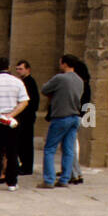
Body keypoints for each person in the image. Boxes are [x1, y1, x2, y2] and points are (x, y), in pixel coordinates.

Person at [0, 56, 29, 191]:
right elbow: (24, 101)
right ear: (8, 66)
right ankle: (12, 182)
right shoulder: (17, 82)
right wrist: (11, 115)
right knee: (12, 151)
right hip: (12, 119)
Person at [38, 55, 85, 189]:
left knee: (49, 149)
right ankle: (65, 178)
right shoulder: (79, 80)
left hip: (61, 116)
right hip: (74, 116)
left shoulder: (60, 78)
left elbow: (45, 89)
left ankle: (49, 179)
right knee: (69, 149)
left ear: (64, 64)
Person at [68, 56, 91, 184]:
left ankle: (75, 173)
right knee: (73, 145)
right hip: (79, 115)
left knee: (71, 145)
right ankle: (74, 170)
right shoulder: (85, 84)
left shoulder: (81, 85)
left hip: (75, 115)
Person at [14, 60, 39, 176]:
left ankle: (27, 167)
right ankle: (23, 165)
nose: (19, 71)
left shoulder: (30, 82)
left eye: (21, 69)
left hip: (27, 118)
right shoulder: (22, 82)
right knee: (20, 142)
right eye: (17, 69)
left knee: (26, 143)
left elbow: (32, 102)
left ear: (28, 69)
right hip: (22, 117)